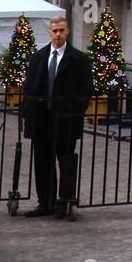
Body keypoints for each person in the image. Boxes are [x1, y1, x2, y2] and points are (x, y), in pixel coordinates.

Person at [22, 17, 93, 218]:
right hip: (41, 119)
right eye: (55, 31)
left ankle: (64, 201)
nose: (58, 34)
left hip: (66, 120)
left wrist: (76, 110)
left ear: (67, 32)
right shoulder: (39, 57)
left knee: (66, 161)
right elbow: (29, 87)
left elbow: (86, 89)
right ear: (49, 33)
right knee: (43, 163)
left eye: (61, 30)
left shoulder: (78, 59)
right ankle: (46, 202)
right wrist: (28, 111)